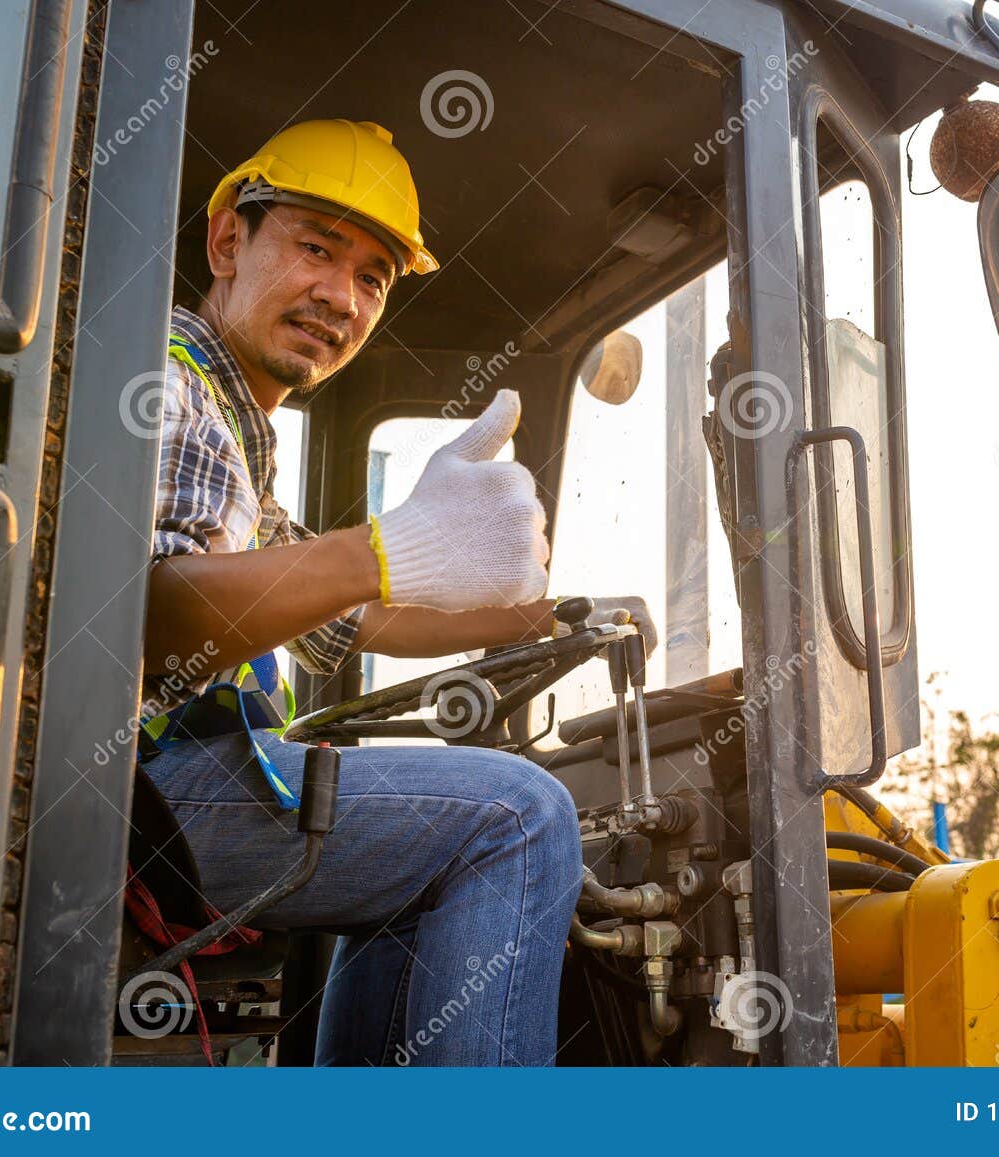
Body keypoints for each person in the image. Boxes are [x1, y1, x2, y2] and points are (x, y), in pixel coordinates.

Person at [137, 119, 653, 1065]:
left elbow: (359, 615)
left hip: (190, 793)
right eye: (316, 248)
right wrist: (390, 544)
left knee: (423, 854)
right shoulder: (168, 376)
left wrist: (560, 614)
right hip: (161, 799)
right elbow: (161, 617)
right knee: (519, 819)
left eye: (372, 277)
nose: (341, 294)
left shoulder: (238, 435)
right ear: (226, 243)